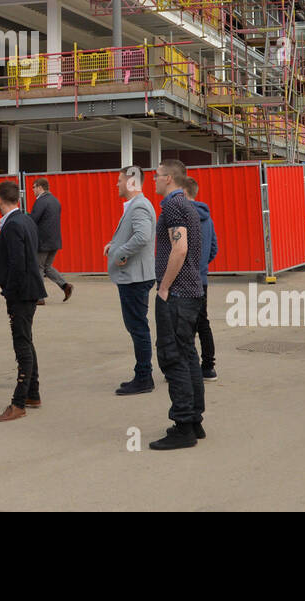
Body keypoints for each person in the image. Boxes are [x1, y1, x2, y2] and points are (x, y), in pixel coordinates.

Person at [149, 160, 205, 450]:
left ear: (169, 178)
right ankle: (194, 420)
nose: (153, 181)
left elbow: (179, 248)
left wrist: (164, 287)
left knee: (173, 357)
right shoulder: (187, 205)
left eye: (156, 176)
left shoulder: (173, 206)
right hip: (191, 292)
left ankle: (183, 426)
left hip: (178, 295)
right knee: (187, 355)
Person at [0, 181, 44, 422]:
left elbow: (19, 264)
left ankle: (18, 403)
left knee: (21, 344)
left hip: (20, 294)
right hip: (29, 289)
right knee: (26, 340)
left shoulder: (11, 225)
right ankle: (33, 393)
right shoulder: (26, 219)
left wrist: (9, 290)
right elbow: (25, 255)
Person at [104, 165, 157, 395]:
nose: (116, 184)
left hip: (135, 278)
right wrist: (114, 246)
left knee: (138, 328)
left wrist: (121, 252)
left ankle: (144, 377)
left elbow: (143, 237)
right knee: (136, 326)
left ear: (130, 182)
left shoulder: (139, 206)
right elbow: (136, 235)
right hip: (134, 276)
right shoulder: (136, 205)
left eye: (119, 180)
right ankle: (142, 373)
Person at [181, 176, 218, 379]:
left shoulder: (183, 217)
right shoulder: (207, 217)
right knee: (203, 322)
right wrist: (202, 265)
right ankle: (209, 367)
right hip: (201, 278)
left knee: (184, 324)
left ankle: (188, 367)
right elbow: (214, 247)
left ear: (184, 193)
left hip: (184, 280)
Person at [29, 178, 72, 302]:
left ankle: (39, 297)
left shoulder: (41, 201)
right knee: (47, 267)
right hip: (55, 241)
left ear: (40, 187)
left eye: (33, 187)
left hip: (43, 242)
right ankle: (65, 285)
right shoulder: (55, 201)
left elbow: (33, 219)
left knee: (38, 268)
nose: (33, 190)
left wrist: (25, 218)